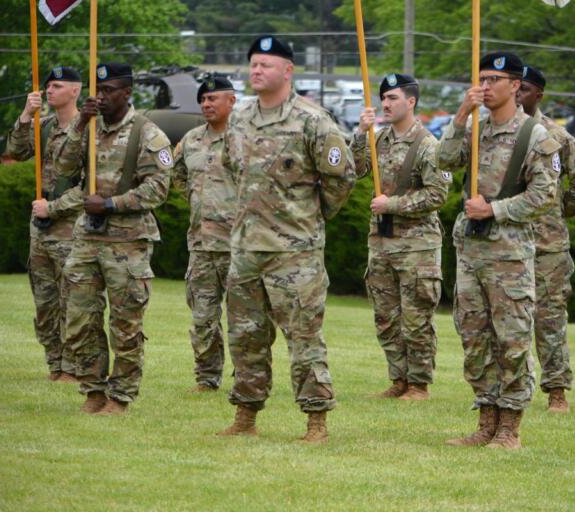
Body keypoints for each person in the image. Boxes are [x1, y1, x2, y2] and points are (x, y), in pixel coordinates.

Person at [216, 36, 356, 442]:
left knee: (304, 339)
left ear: (288, 71)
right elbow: (231, 167)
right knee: (245, 337)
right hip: (246, 249)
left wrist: (308, 218)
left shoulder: (313, 120)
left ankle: (316, 420)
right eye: (253, 64)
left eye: (266, 65)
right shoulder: (239, 117)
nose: (257, 71)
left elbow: (341, 179)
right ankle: (245, 416)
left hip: (295, 253)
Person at [438, 52, 560, 449]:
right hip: (471, 250)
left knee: (511, 339)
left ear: (515, 85)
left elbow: (544, 195)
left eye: (494, 79)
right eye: (481, 79)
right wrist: (460, 115)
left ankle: (510, 427)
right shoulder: (476, 129)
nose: (485, 86)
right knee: (474, 337)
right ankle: (486, 420)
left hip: (509, 255)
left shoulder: (536, 136)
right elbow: (442, 160)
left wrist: (495, 209)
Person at [51, 62, 173, 415]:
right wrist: (79, 123)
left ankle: (120, 396)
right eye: (98, 91)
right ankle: (93, 390)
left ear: (127, 93)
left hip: (127, 242)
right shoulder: (89, 128)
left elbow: (157, 189)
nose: (101, 97)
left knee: (125, 323)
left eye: (109, 91)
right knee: (80, 318)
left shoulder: (147, 134)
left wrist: (109, 203)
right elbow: (62, 167)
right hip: (88, 239)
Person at [350, 73, 449, 400]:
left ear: (411, 101)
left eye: (393, 98)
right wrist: (360, 135)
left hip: (417, 245)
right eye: (384, 98)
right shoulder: (379, 140)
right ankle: (398, 379)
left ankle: (419, 384)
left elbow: (437, 195)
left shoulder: (428, 145)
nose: (386, 104)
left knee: (416, 317)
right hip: (381, 242)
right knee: (386, 316)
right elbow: (355, 169)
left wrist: (392, 204)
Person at [516, 65, 575, 413]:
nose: (517, 94)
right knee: (506, 319)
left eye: (524, 89)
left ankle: (557, 391)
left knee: (549, 318)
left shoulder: (556, 136)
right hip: (505, 240)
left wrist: (561, 210)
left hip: (547, 245)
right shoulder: (496, 132)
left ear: (539, 94)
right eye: (514, 88)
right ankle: (511, 390)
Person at [6, 66, 83, 382]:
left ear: (75, 91)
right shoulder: (45, 127)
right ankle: (55, 363)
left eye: (57, 86)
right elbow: (16, 151)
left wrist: (53, 207)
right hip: (41, 229)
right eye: (48, 86)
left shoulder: (87, 129)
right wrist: (26, 115)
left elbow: (94, 184)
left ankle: (73, 366)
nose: (49, 91)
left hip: (72, 227)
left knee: (74, 302)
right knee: (45, 302)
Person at [172, 75, 237, 393]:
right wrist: (198, 199)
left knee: (244, 319)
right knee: (202, 316)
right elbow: (177, 173)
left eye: (213, 98)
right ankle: (207, 378)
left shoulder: (246, 140)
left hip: (239, 245)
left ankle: (249, 377)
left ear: (232, 101)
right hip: (201, 245)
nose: (207, 104)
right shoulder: (192, 139)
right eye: (203, 99)